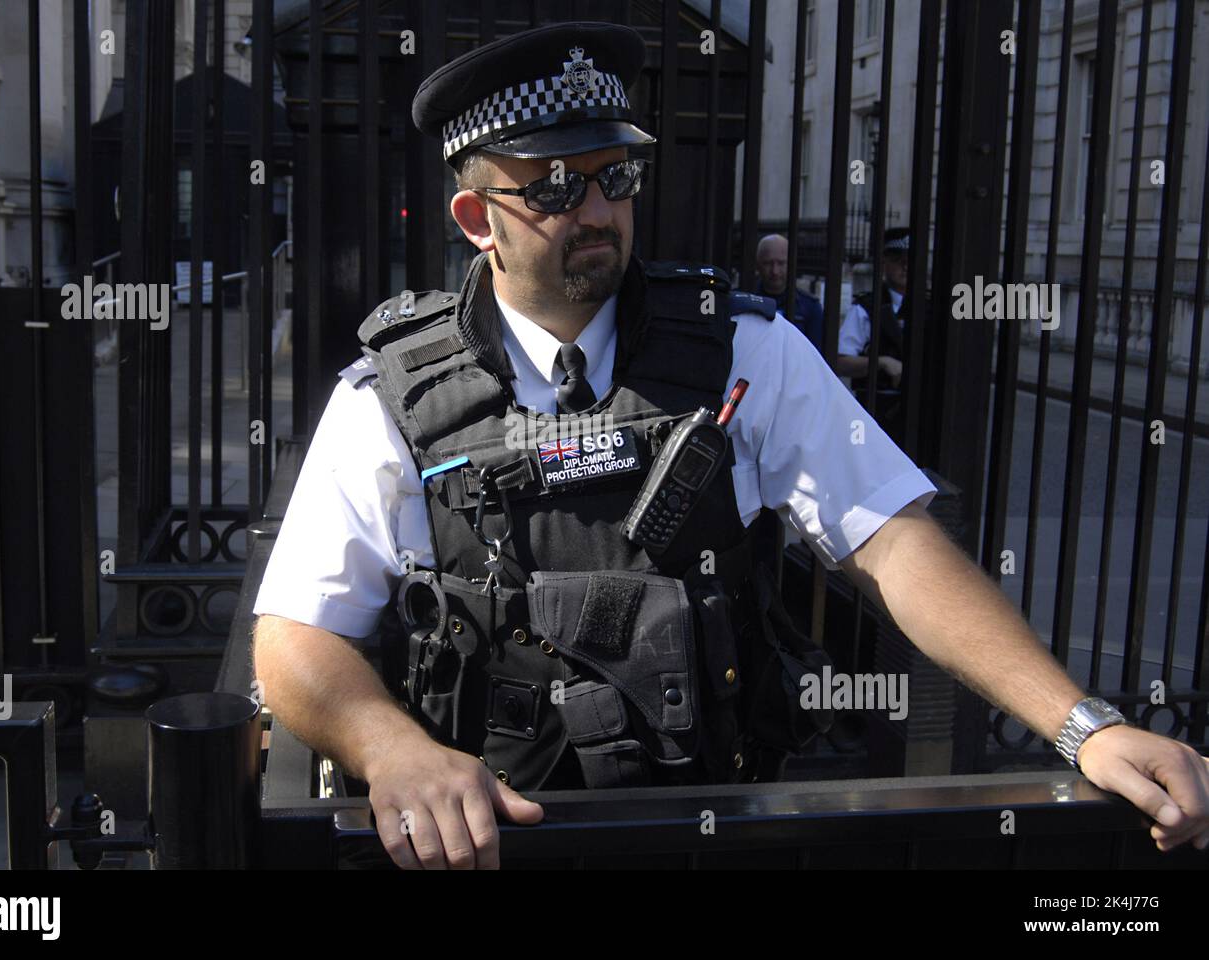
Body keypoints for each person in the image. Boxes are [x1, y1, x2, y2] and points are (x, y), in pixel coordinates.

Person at [251, 22, 1209, 871]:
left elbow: (893, 541)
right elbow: (294, 633)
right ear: (476, 220)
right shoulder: (394, 396)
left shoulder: (747, 349)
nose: (596, 211)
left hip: (712, 826)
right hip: (494, 838)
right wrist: (389, 748)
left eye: (614, 176)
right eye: (551, 188)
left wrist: (1084, 728)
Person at [836, 227, 910, 444]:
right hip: (876, 409)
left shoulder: (931, 307)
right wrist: (881, 362)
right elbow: (840, 362)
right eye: (898, 259)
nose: (905, 265)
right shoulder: (866, 308)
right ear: (885, 261)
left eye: (910, 258)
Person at [754, 233, 825, 350]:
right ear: (758, 264)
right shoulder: (743, 301)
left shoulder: (810, 307)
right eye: (768, 263)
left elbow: (814, 355)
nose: (775, 271)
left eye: (781, 263)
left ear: (791, 263)